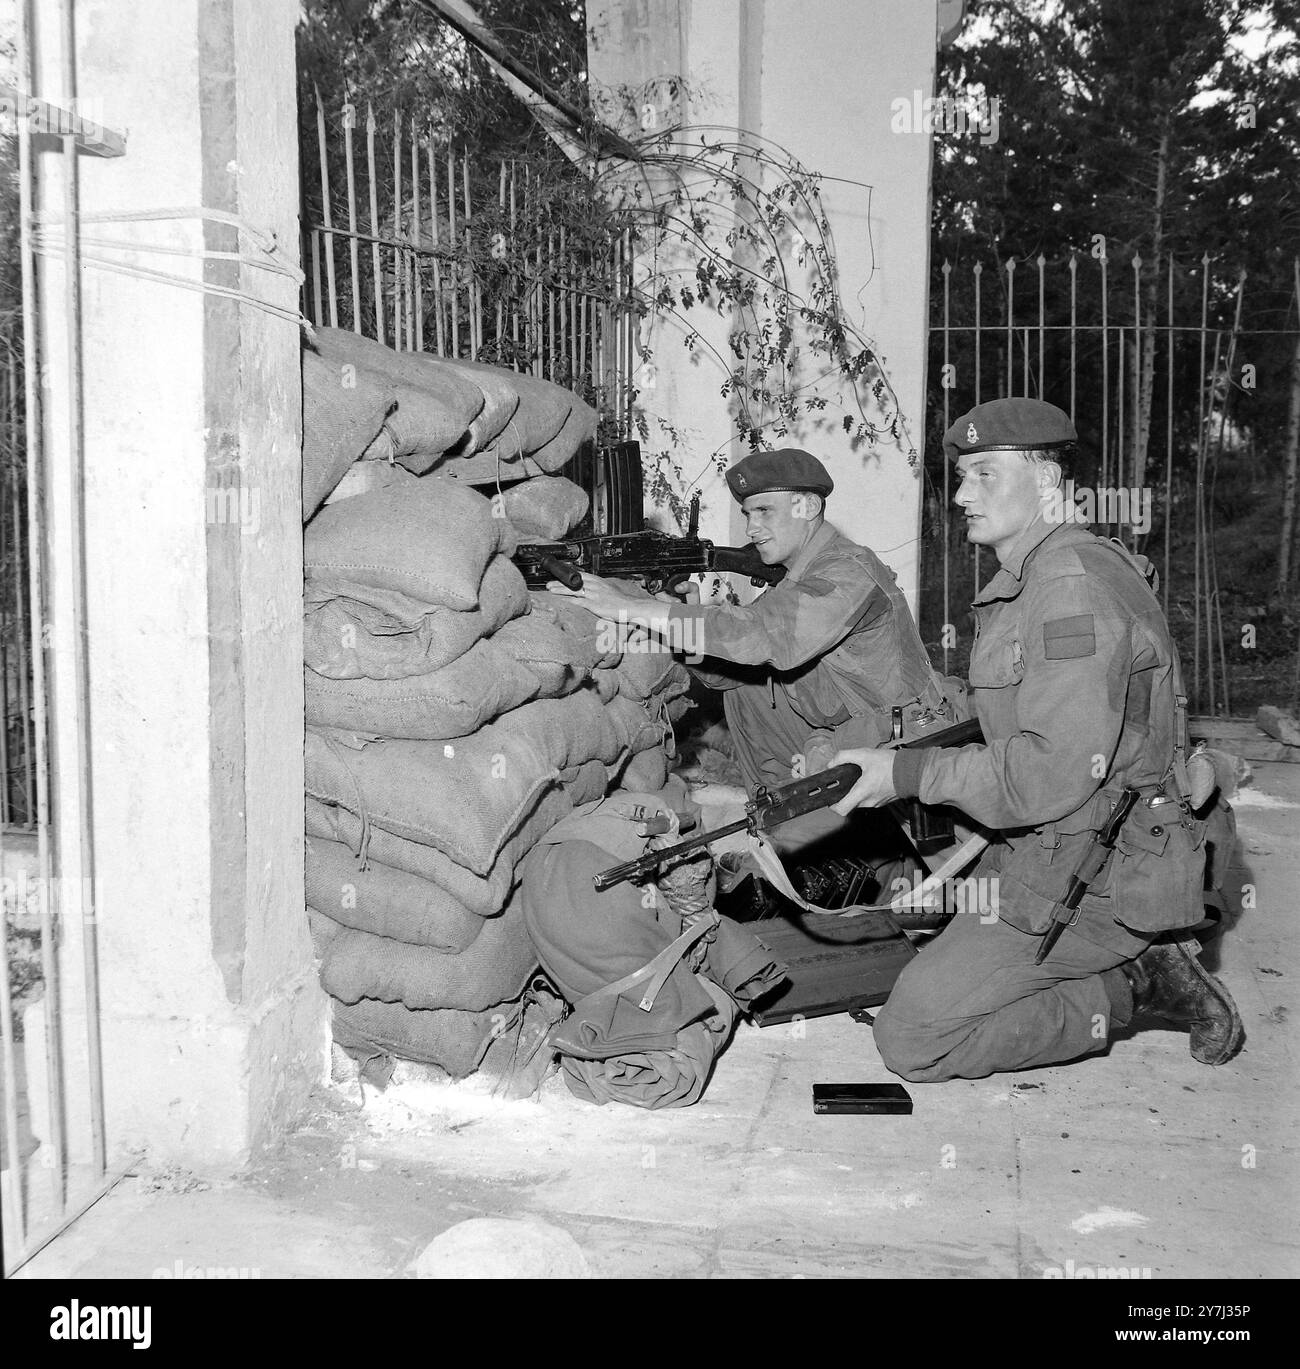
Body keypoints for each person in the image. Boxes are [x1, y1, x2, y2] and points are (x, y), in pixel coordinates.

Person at [829, 398, 1243, 1079]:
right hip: (1055, 842)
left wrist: (903, 776)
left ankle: (1134, 981)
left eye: (985, 473)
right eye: (961, 474)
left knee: (913, 1037)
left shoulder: (1068, 591)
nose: (961, 494)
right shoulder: (1044, 573)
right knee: (906, 918)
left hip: (1090, 874)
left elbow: (1051, 773)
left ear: (1047, 482)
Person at [549, 448, 958, 854]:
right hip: (842, 733)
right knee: (743, 688)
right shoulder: (799, 580)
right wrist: (683, 618)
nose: (752, 528)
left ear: (808, 506)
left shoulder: (846, 571)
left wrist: (636, 608)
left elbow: (766, 638)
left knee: (944, 875)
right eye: (747, 514)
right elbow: (725, 672)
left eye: (764, 511)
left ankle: (811, 852)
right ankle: (790, 841)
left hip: (902, 743)